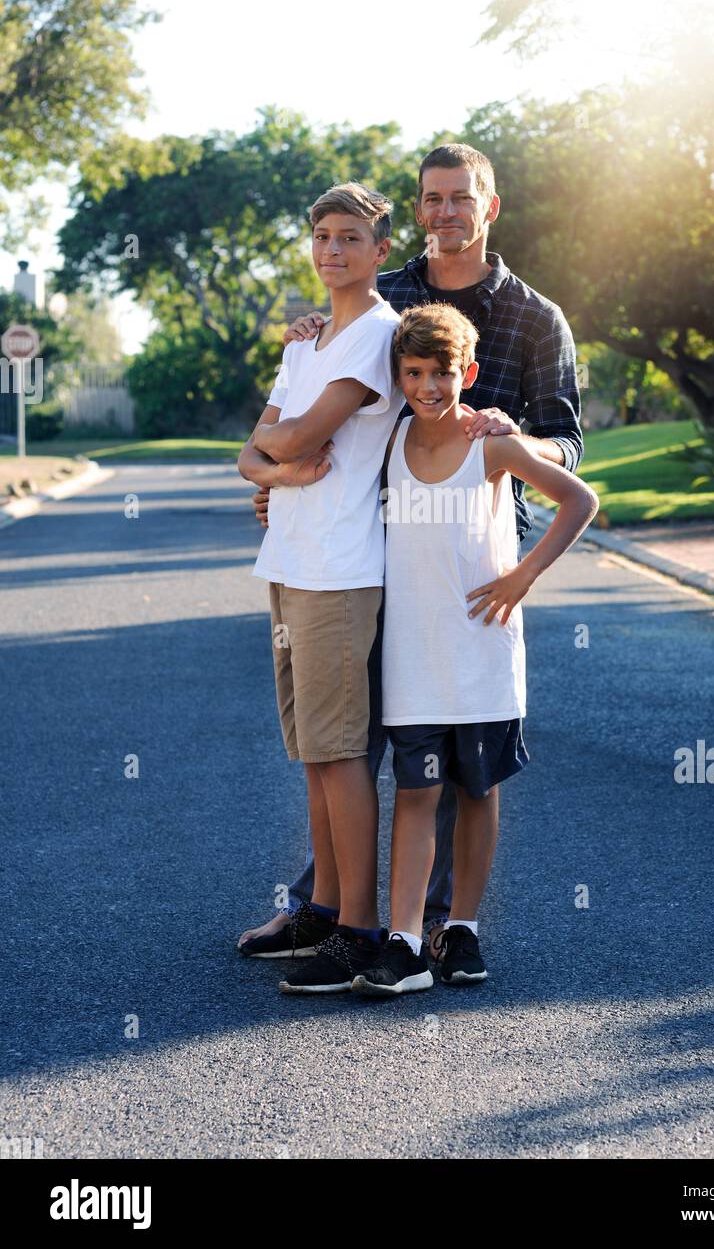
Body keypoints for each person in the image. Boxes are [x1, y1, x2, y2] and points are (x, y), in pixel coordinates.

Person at [254, 143, 583, 958]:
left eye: (460, 198)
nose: (444, 212)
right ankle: (329, 909)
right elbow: (341, 384)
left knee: (447, 754)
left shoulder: (536, 318)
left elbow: (570, 447)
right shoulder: (387, 296)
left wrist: (517, 438)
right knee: (350, 744)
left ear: (489, 206)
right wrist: (306, 348)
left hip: (470, 556)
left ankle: (430, 923)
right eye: (431, 198)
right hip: (374, 549)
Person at [347, 303, 598, 995]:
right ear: (398, 377)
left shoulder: (493, 445)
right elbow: (336, 491)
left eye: (443, 373)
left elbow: (579, 502)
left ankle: (460, 929)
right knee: (418, 792)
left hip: (485, 654)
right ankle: (403, 942)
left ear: (470, 373)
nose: (429, 386)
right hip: (411, 659)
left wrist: (523, 575)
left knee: (477, 790)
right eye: (415, 373)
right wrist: (272, 495)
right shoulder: (389, 445)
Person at [235, 181, 405, 992]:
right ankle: (324, 909)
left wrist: (281, 455)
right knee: (311, 751)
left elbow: (294, 434)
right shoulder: (304, 343)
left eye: (350, 238)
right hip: (287, 565)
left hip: (338, 571)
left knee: (341, 753)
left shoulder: (377, 335)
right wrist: (278, 464)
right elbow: (250, 455)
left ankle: (361, 933)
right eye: (322, 237)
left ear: (379, 252)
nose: (332, 250)